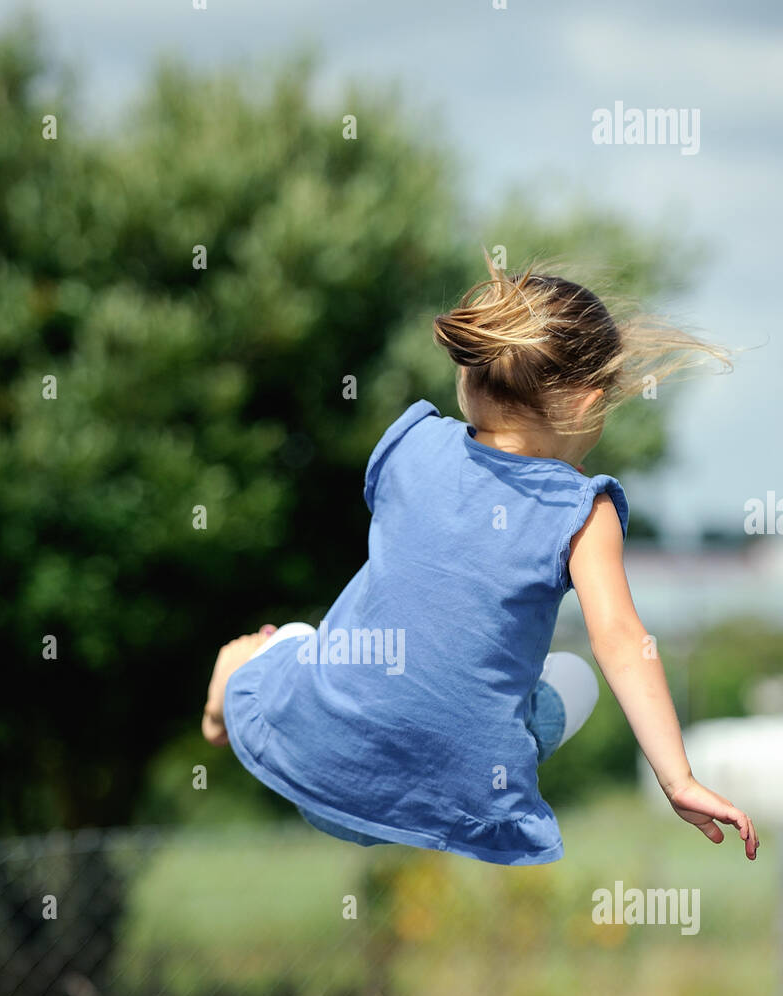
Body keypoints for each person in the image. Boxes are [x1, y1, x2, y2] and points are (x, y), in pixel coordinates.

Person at [202, 259, 758, 866]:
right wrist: (677, 780)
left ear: (469, 381)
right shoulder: (582, 509)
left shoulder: (412, 442)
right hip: (451, 798)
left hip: (313, 758)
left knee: (295, 638)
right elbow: (622, 641)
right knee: (574, 679)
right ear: (585, 405)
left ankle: (233, 688)